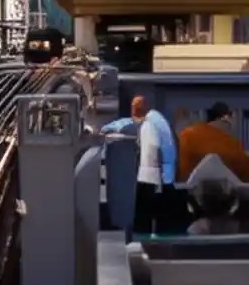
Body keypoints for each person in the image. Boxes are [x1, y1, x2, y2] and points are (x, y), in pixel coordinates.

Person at [101, 96, 179, 235]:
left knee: (143, 212)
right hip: (153, 176)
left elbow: (105, 130)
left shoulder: (138, 124)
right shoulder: (158, 124)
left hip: (145, 176)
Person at [177, 102, 249, 183]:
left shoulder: (186, 135)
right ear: (225, 119)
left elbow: (179, 171)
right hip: (225, 193)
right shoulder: (231, 143)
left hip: (187, 190)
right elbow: (246, 174)